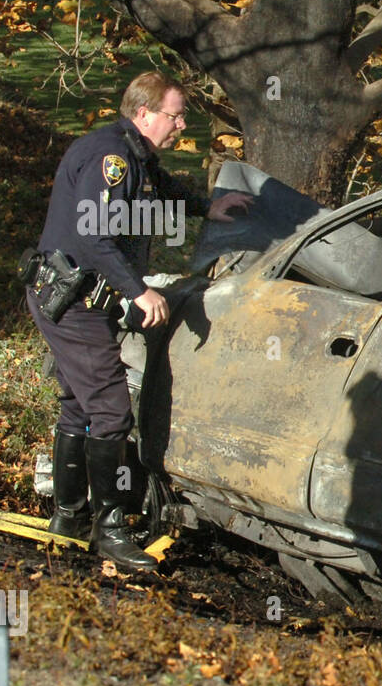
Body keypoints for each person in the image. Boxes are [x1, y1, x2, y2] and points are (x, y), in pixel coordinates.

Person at [25, 70, 252, 571]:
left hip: (81, 299)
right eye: (174, 115)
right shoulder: (111, 159)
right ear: (143, 113)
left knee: (77, 405)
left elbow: (162, 188)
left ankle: (69, 517)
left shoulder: (135, 156)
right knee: (110, 411)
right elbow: (92, 238)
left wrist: (211, 206)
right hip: (74, 302)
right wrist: (140, 290)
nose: (182, 125)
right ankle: (109, 528)